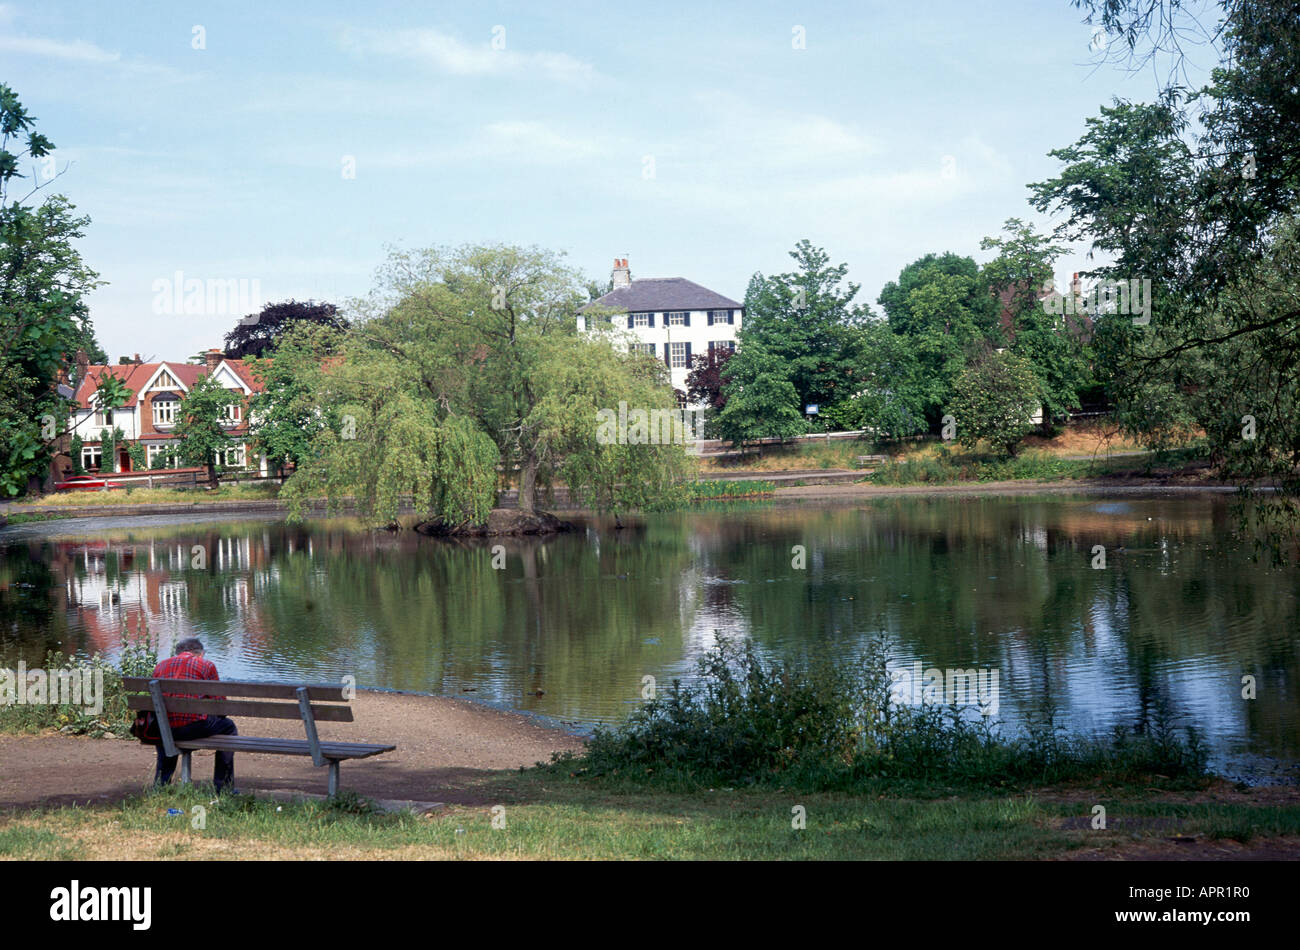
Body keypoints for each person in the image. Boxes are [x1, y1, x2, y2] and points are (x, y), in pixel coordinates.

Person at [152, 637, 238, 792]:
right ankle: (223, 786)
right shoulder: (206, 665)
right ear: (199, 653)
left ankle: (161, 785)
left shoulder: (160, 666)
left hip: (165, 730)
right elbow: (220, 704)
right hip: (192, 728)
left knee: (166, 725)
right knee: (229, 727)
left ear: (177, 653)